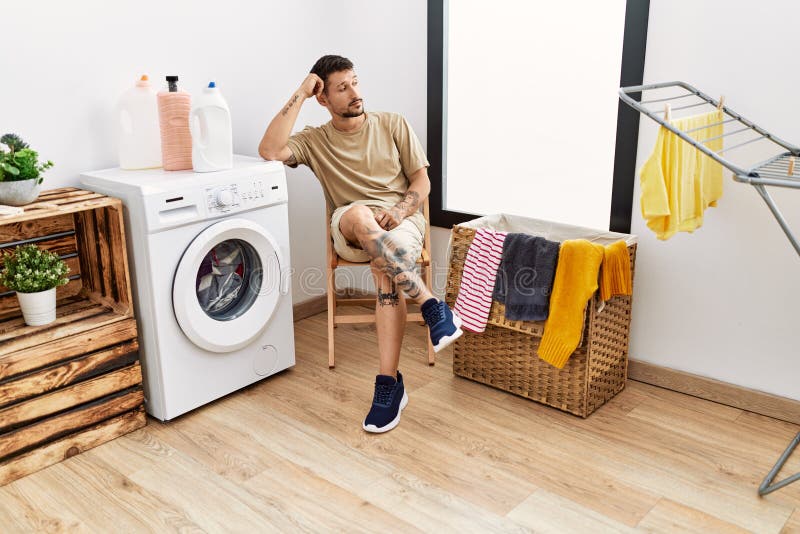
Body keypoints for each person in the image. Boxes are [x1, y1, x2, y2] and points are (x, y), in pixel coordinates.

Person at [258, 55, 462, 433]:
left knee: (384, 264)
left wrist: (400, 212)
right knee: (356, 214)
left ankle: (388, 385)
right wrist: (301, 92)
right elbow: (269, 150)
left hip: (397, 225)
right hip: (349, 225)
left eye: (355, 82)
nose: (354, 93)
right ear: (324, 98)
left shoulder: (392, 124)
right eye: (342, 87)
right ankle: (430, 303)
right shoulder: (315, 140)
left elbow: (422, 183)